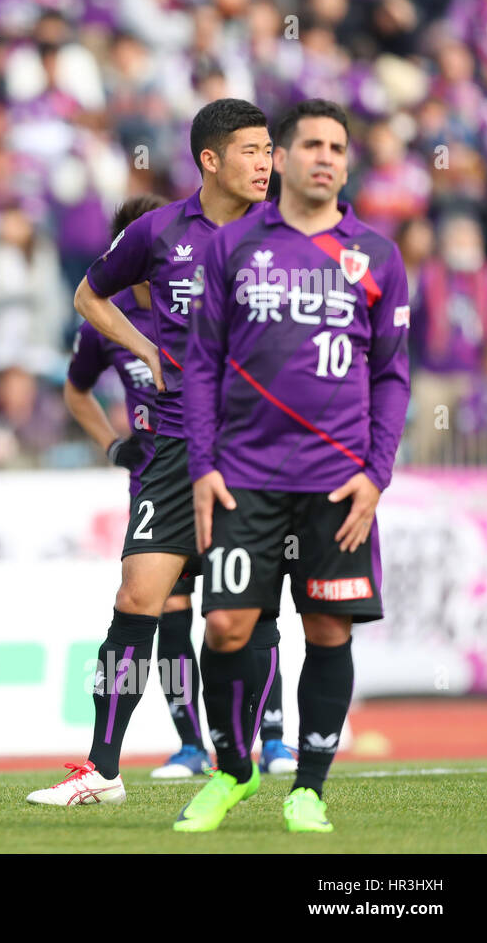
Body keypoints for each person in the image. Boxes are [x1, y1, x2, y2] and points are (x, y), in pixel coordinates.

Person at [28, 99, 275, 807]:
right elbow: (87, 296)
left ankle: (245, 756)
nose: (265, 163)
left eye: (268, 150)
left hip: (255, 448)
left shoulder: (283, 233)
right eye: (252, 150)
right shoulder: (158, 231)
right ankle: (103, 770)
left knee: (240, 616)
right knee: (138, 597)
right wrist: (147, 348)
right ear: (210, 159)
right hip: (171, 444)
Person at [179, 99, 410, 832]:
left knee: (328, 632)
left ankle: (308, 788)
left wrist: (377, 473)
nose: (326, 157)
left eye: (337, 147)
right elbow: (200, 362)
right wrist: (202, 465)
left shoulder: (376, 255)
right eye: (310, 144)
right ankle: (232, 771)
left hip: (338, 482)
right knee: (226, 627)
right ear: (278, 157)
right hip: (243, 476)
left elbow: (392, 375)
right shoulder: (235, 246)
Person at [64, 194, 299, 782]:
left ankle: (267, 740)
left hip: (237, 458)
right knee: (155, 606)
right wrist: (115, 446)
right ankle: (175, 748)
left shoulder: (223, 286)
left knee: (247, 607)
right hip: (161, 470)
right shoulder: (110, 324)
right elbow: (76, 390)